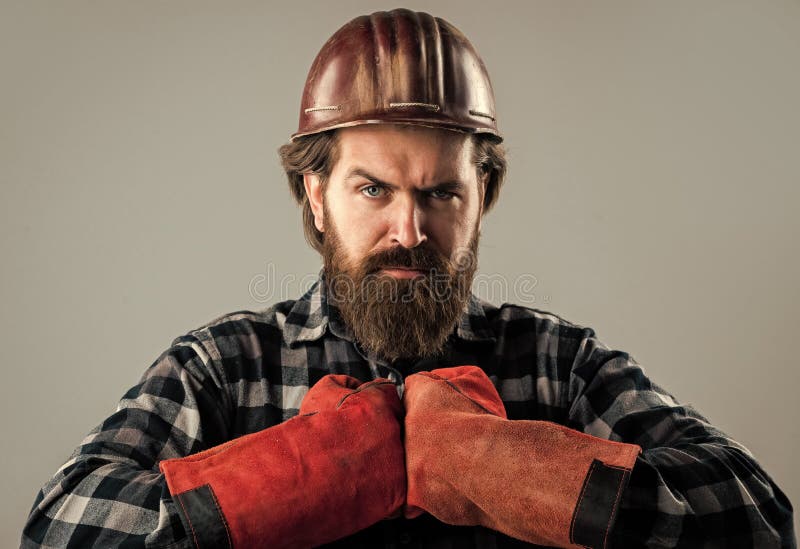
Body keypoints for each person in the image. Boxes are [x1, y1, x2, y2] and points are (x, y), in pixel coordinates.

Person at [22, 8, 795, 549]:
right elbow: (57, 524)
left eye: (440, 193)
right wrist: (266, 483)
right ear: (315, 195)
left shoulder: (560, 363)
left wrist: (518, 468)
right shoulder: (223, 365)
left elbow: (759, 514)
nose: (410, 230)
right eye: (374, 189)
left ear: (482, 196)